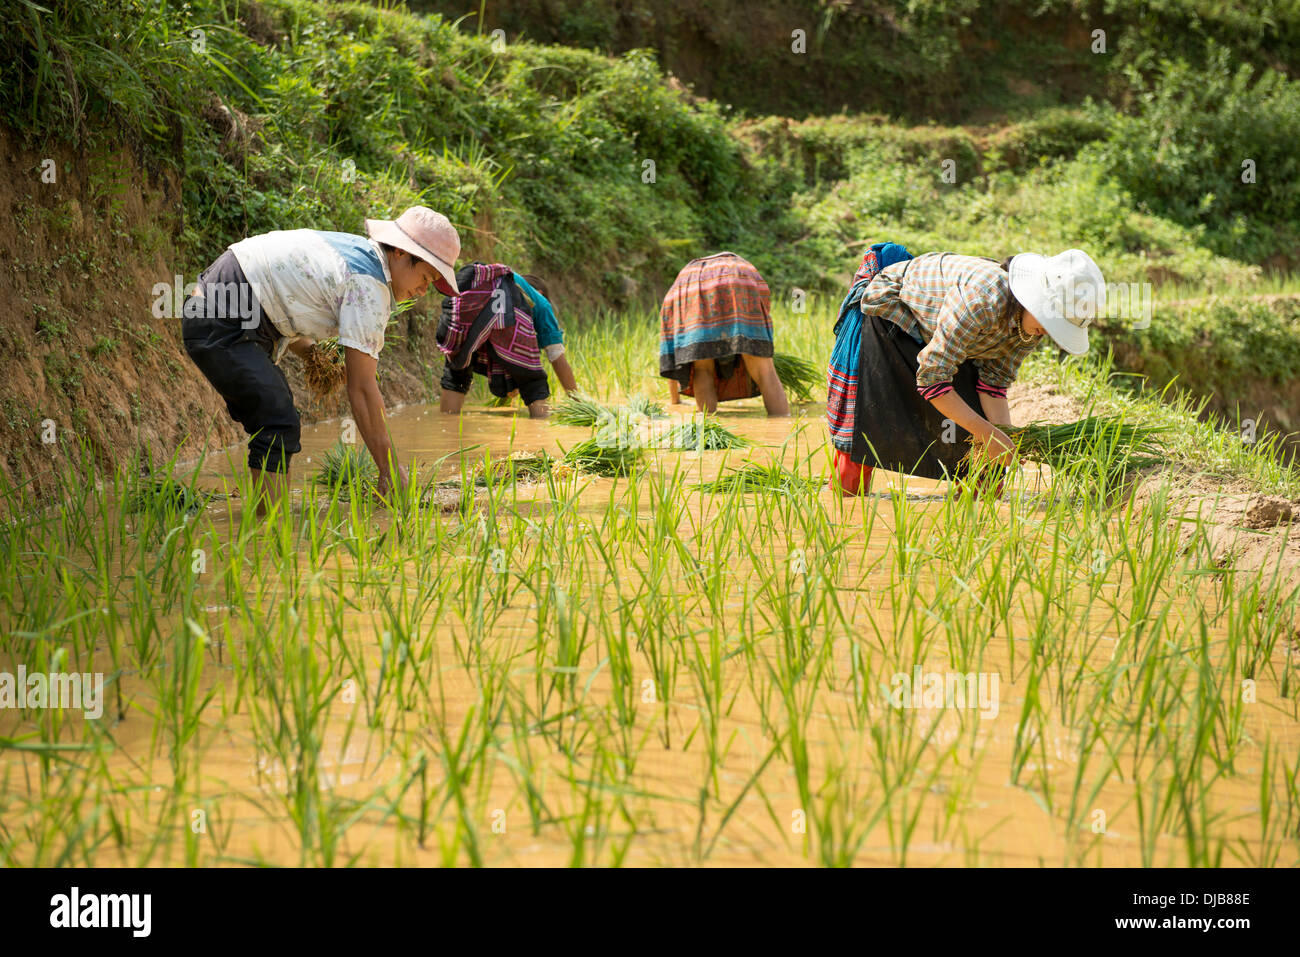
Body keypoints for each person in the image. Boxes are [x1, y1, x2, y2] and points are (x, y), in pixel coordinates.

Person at [181, 206, 461, 511]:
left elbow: (281, 297)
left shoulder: (355, 253)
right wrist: (389, 468)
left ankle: (268, 521)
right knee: (277, 419)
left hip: (222, 306)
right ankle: (267, 529)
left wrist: (312, 354)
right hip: (221, 317)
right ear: (399, 253)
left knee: (275, 414)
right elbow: (363, 389)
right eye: (425, 276)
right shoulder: (369, 285)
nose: (424, 290)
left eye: (432, 282)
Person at [829, 248, 1106, 496]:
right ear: (1032, 299)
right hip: (892, 323)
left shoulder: (1030, 329)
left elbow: (993, 384)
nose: (1047, 330)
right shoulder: (982, 300)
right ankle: (845, 488)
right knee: (863, 444)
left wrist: (1006, 438)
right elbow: (933, 379)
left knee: (987, 473)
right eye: (1049, 320)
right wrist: (989, 434)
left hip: (942, 346)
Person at [659, 252, 790, 416]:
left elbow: (673, 354)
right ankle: (784, 426)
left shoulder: (674, 295)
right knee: (765, 371)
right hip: (740, 275)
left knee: (702, 369)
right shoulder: (743, 267)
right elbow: (764, 301)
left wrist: (675, 401)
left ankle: (709, 427)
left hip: (693, 283)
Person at [437, 267, 578, 416]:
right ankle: (540, 428)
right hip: (497, 305)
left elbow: (492, 336)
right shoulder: (540, 302)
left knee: (457, 373)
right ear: (539, 293)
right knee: (533, 383)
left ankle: (447, 424)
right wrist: (577, 401)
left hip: (462, 296)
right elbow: (556, 355)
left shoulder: (496, 280)